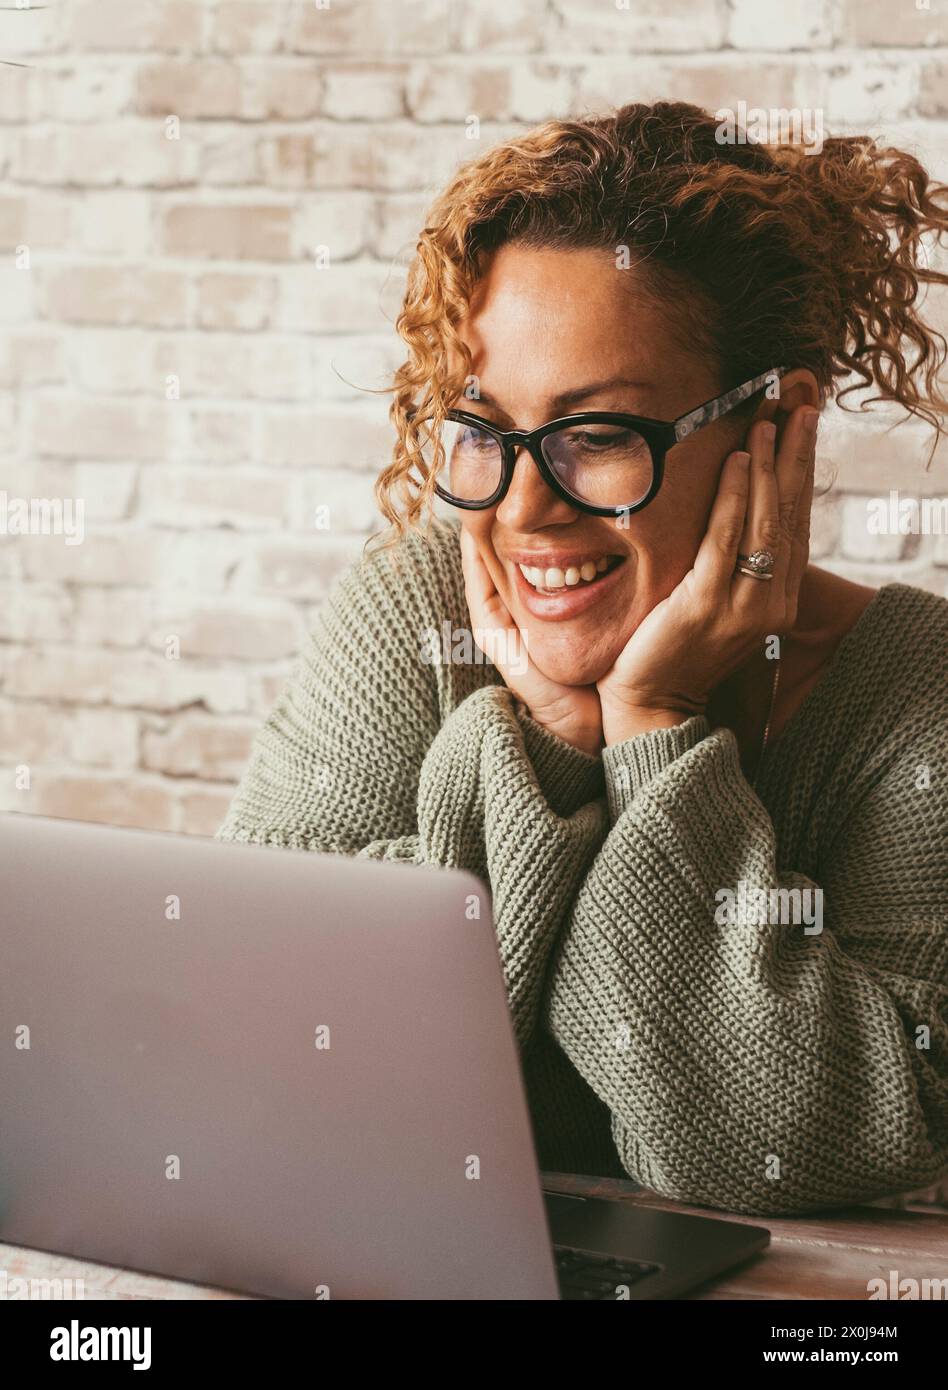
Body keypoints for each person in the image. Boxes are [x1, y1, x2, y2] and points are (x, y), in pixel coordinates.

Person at [219, 101, 948, 1216]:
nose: (522, 509)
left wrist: (653, 722)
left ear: (776, 424)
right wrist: (548, 738)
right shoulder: (414, 613)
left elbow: (808, 1146)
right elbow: (256, 1053)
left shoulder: (916, 695)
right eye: (482, 429)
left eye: (598, 435)